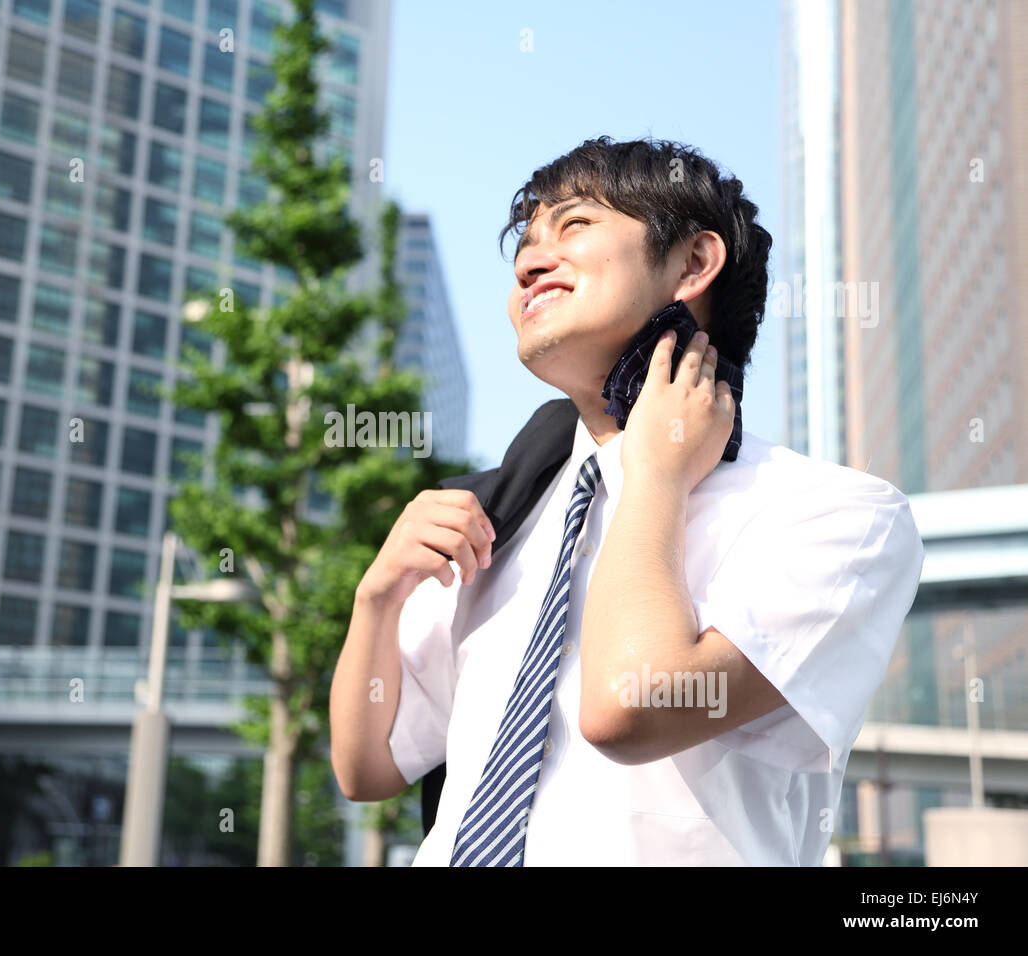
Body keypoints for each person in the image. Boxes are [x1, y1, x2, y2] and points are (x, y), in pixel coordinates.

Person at [328, 135, 925, 865]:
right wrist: (377, 598)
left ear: (694, 263)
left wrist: (657, 479)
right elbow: (368, 768)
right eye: (526, 240)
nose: (528, 260)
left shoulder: (837, 517)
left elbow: (629, 710)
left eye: (574, 225)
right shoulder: (504, 515)